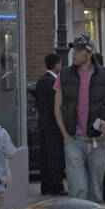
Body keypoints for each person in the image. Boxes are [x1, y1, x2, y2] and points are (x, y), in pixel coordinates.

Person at [53, 35, 105, 203]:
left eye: (78, 51)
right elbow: (57, 107)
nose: (74, 54)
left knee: (96, 190)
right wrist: (65, 135)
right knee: (78, 188)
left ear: (89, 53)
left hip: (98, 140)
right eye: (74, 50)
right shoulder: (64, 75)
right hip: (73, 139)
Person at [34, 52, 65, 195]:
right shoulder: (54, 83)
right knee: (55, 156)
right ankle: (56, 186)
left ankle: (45, 185)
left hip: (43, 124)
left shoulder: (40, 81)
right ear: (56, 64)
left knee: (44, 156)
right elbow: (57, 106)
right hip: (54, 126)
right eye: (60, 63)